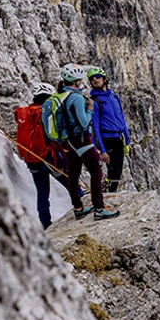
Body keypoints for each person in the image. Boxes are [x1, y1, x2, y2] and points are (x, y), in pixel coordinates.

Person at [50, 63, 120, 221]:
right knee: (96, 171)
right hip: (81, 139)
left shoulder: (60, 95)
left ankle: (78, 208)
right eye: (80, 79)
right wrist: (90, 110)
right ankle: (100, 208)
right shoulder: (76, 97)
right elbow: (83, 122)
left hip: (66, 141)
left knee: (73, 174)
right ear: (76, 81)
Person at [14, 82, 62, 228]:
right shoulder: (44, 112)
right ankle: (82, 207)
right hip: (47, 157)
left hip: (31, 160)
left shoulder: (25, 113)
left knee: (42, 192)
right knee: (70, 181)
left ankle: (45, 223)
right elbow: (52, 136)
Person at [87, 66, 132, 193]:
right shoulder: (95, 101)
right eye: (92, 79)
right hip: (107, 139)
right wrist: (102, 150)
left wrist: (127, 141)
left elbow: (121, 119)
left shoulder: (114, 97)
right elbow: (94, 127)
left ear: (105, 79)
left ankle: (110, 195)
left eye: (97, 77)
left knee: (118, 171)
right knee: (114, 172)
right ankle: (109, 197)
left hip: (118, 138)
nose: (95, 80)